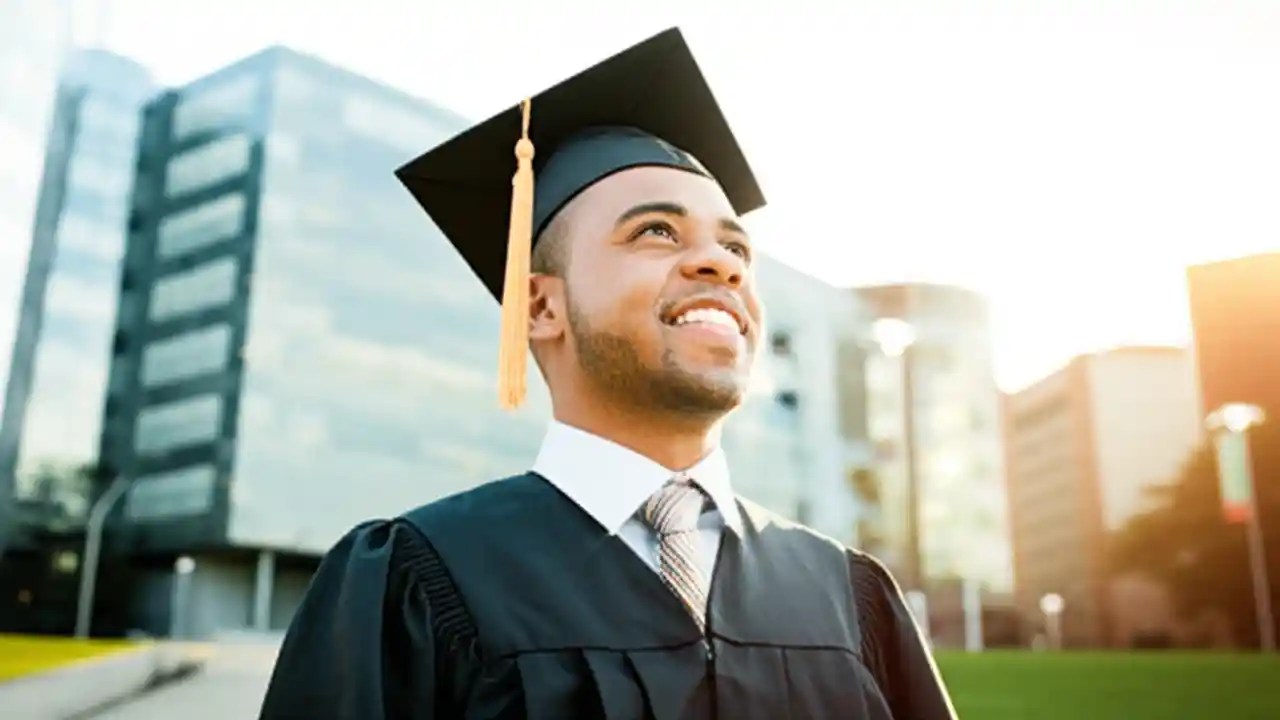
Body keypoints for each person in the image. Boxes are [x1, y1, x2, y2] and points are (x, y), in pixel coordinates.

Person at [260, 27, 958, 719]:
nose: (722, 263)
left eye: (735, 245)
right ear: (540, 305)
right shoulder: (417, 580)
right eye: (656, 231)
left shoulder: (850, 594)